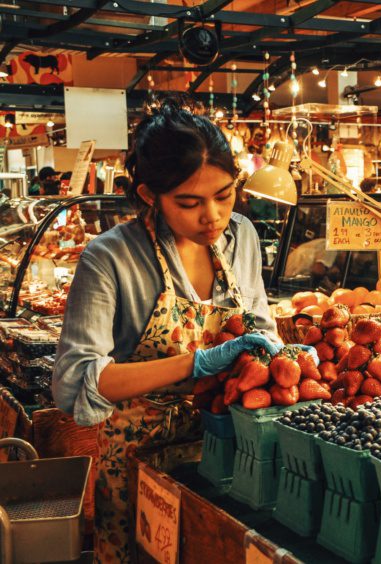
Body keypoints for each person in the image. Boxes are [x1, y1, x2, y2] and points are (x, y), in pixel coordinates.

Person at [52, 99, 302, 563]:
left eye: (224, 195)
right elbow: (77, 381)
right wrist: (195, 363)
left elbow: (261, 323)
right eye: (189, 202)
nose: (212, 216)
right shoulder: (110, 258)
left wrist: (284, 357)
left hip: (228, 453)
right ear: (150, 195)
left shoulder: (241, 237)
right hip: (138, 461)